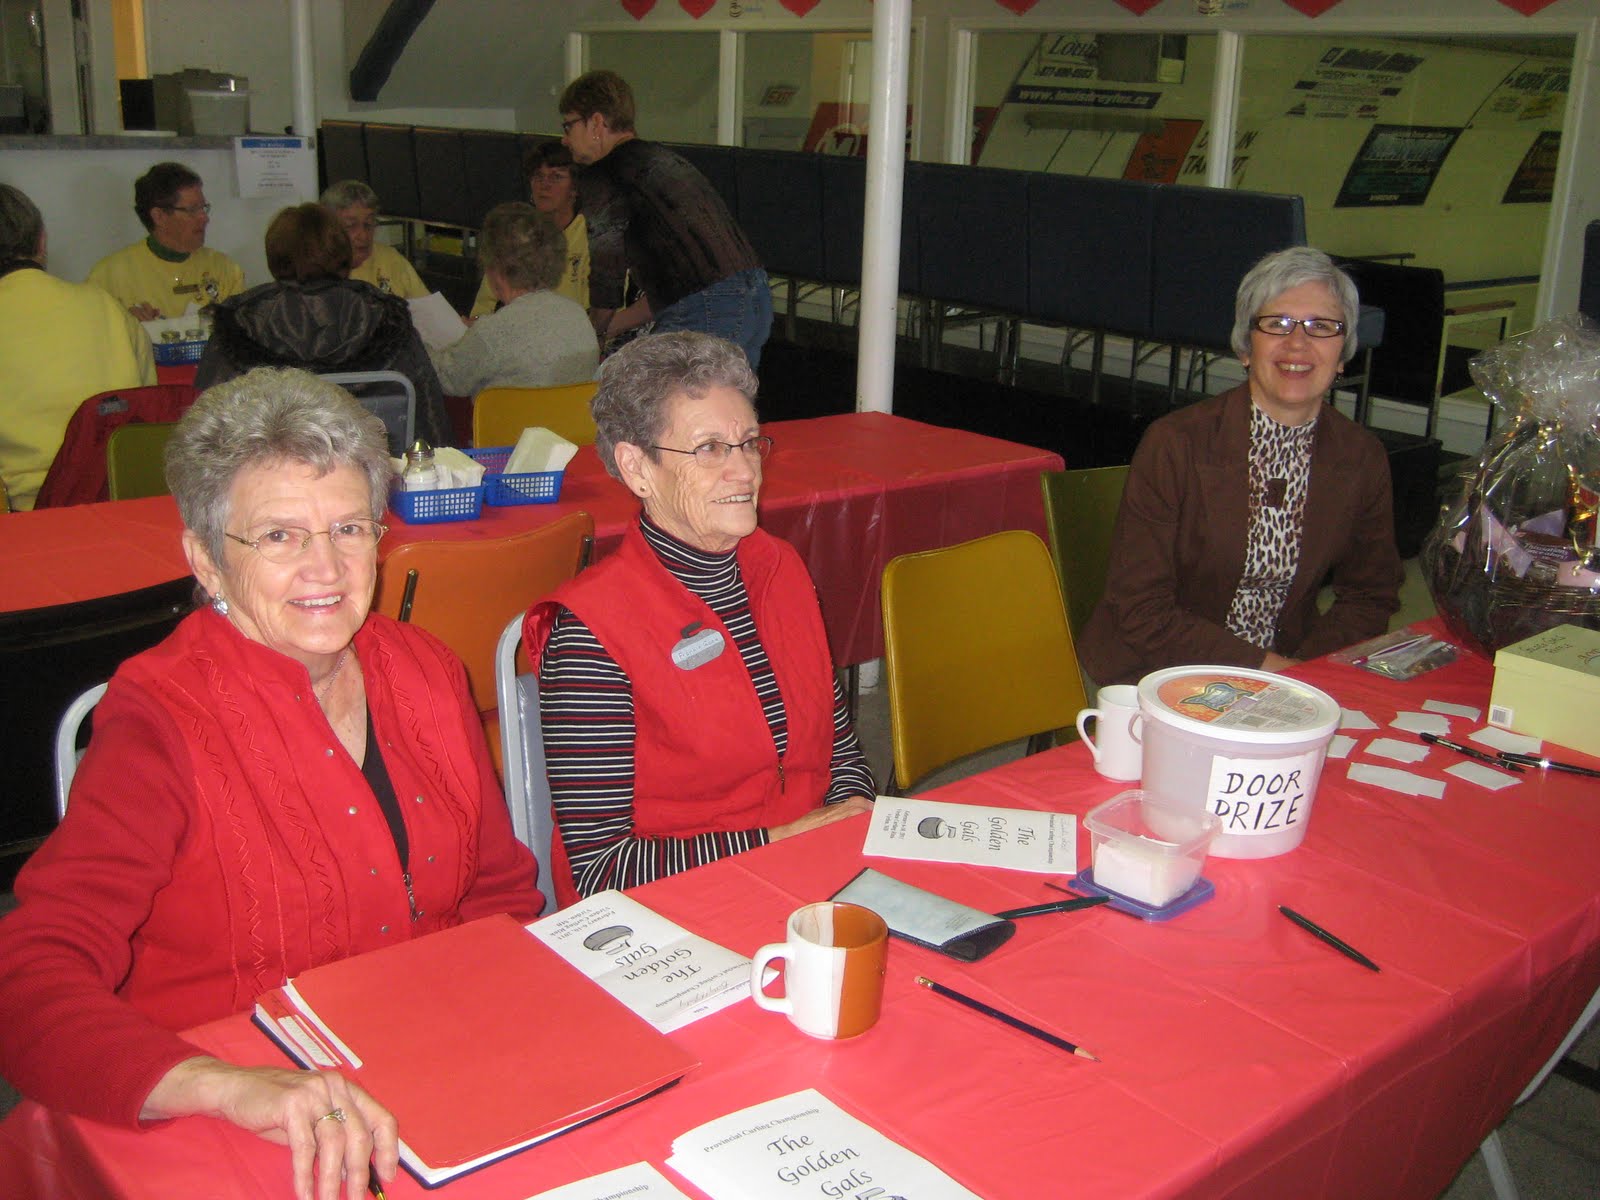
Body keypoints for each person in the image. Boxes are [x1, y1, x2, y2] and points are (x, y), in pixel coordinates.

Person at [0, 368, 540, 1200]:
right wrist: (221, 1083)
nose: (325, 567)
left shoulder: (425, 668)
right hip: (236, 1119)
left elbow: (499, 888)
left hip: (430, 1078)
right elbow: (29, 977)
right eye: (280, 537)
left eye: (349, 528)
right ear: (207, 561)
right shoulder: (161, 722)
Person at [525, 332, 873, 906]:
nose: (743, 472)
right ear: (637, 468)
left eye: (748, 443)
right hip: (679, 907)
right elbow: (601, 870)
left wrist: (852, 818)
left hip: (810, 875)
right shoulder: (591, 632)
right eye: (710, 448)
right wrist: (780, 842)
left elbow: (838, 746)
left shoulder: (778, 566)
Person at [1079, 246, 1403, 687]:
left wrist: (1308, 671)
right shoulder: (1176, 443)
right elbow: (1140, 605)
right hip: (1161, 670)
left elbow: (1370, 594)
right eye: (1277, 324)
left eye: (1322, 327)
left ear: (1343, 355)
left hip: (1292, 668)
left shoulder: (1361, 456)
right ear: (1247, 347)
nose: (1298, 343)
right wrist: (1269, 674)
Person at [560, 70, 773, 368]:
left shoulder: (604, 172)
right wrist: (613, 326)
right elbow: (680, 281)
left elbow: (607, 275)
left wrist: (591, 333)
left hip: (709, 307)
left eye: (568, 125)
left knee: (669, 407)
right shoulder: (663, 158)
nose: (564, 139)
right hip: (755, 298)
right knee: (724, 408)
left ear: (596, 123)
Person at [194, 203, 449, 446]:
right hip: (370, 462)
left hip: (268, 467)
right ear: (342, 253)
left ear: (274, 257)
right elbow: (428, 413)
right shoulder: (385, 316)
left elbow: (208, 421)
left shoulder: (241, 322)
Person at [0, 184, 155, 511]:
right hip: (119, 499)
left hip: (21, 516)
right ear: (41, 242)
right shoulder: (105, 305)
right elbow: (146, 404)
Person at [429, 202, 597, 397]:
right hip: (570, 425)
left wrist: (420, 344)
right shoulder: (577, 315)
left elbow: (448, 380)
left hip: (510, 427)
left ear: (496, 267)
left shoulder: (492, 332)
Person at [87, 161, 244, 320]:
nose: (204, 218)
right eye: (192, 210)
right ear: (159, 216)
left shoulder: (225, 269)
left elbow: (242, 336)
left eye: (203, 208)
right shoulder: (109, 276)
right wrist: (126, 325)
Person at [470, 141, 589, 318]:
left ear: (575, 188)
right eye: (538, 176)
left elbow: (595, 316)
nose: (544, 185)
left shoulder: (593, 238)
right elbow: (485, 305)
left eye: (556, 177)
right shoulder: (516, 231)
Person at [320, 179, 429, 299]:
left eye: (368, 224)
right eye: (350, 226)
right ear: (328, 228)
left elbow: (427, 309)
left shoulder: (390, 259)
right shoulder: (316, 267)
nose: (363, 236)